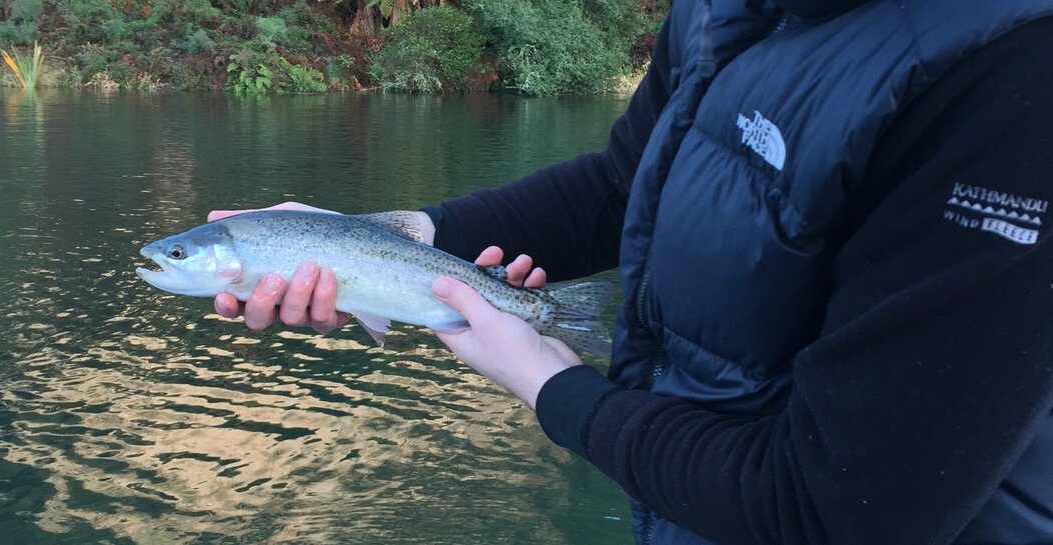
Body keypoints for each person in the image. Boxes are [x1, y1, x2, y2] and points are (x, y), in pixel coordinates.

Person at [208, 0, 1053, 543]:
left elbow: (838, 511)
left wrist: (556, 387)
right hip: (692, 504)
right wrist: (392, 236)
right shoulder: (727, 10)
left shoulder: (1012, 72)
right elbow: (624, 184)